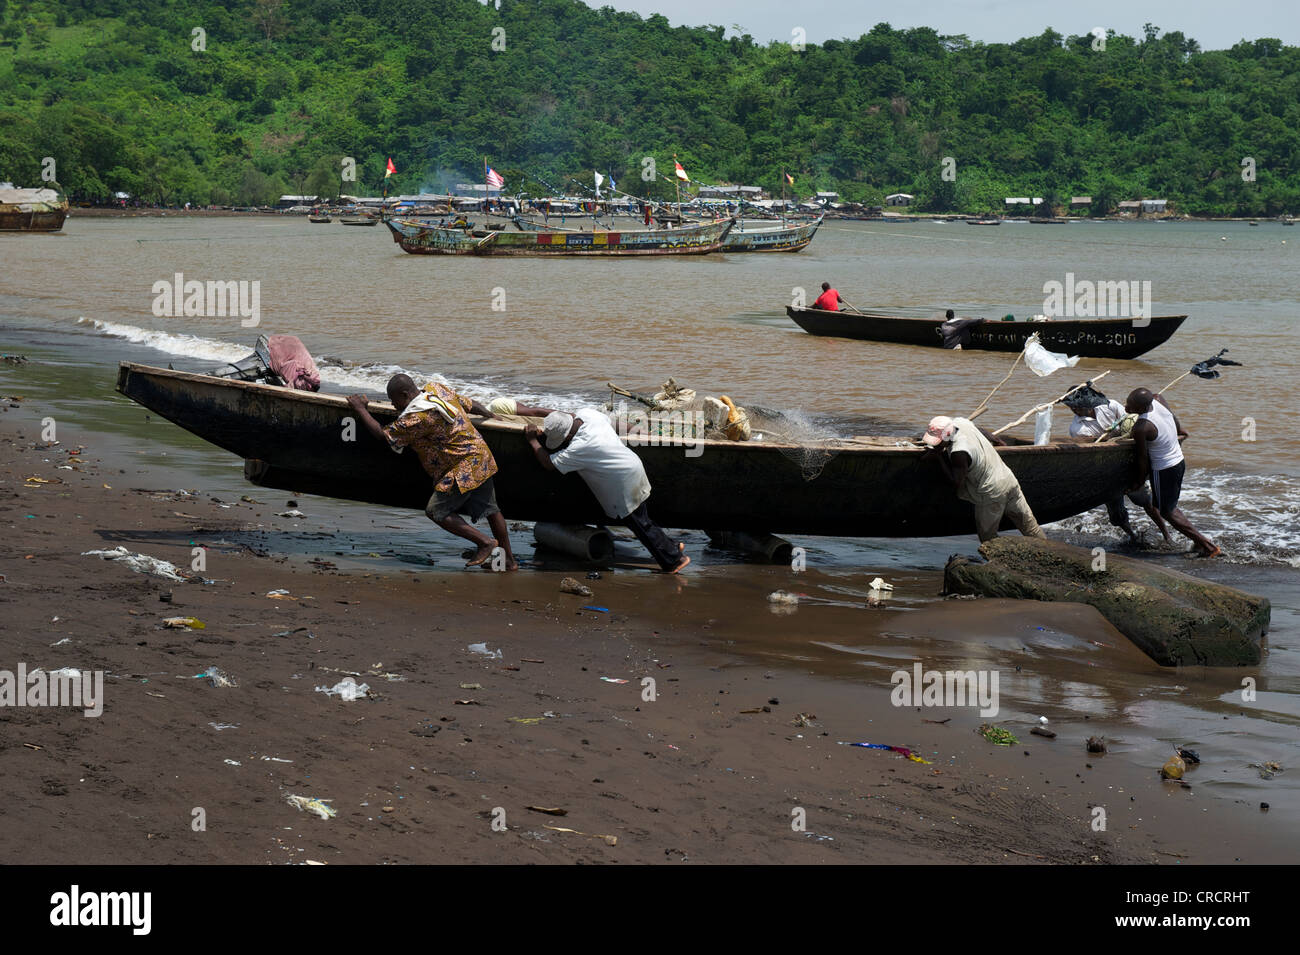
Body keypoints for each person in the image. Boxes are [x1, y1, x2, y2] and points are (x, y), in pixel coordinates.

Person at [346, 375, 518, 570]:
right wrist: (493, 417)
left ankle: (485, 542)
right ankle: (508, 561)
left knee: (436, 511)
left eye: (395, 402)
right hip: (481, 456)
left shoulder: (416, 417)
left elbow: (384, 435)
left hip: (462, 467)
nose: (394, 406)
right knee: (492, 511)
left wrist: (360, 408)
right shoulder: (437, 389)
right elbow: (472, 404)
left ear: (405, 395)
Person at [524, 408, 690, 573]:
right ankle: (672, 546)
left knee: (639, 525)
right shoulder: (589, 415)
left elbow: (548, 463)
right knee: (642, 517)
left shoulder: (579, 447)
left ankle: (674, 560)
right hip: (632, 466)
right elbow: (616, 424)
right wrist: (638, 430)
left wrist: (533, 440)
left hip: (621, 482)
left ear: (567, 436)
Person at [1061, 387, 1171, 543]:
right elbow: (1092, 451)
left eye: (1078, 405)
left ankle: (1167, 535)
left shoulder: (1110, 406)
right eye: (1071, 406)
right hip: (1105, 470)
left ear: (1090, 401)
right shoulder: (1077, 428)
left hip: (1128, 464)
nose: (1074, 409)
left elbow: (1131, 419)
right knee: (1116, 512)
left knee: (1145, 501)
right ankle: (1132, 536)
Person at [1124, 388, 1219, 557]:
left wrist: (1138, 482)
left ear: (1141, 407)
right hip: (1178, 462)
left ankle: (1208, 546)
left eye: (1130, 406)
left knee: (1167, 512)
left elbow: (1143, 459)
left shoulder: (1141, 427)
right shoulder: (1158, 399)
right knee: (1168, 507)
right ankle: (1199, 543)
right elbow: (1173, 417)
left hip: (1164, 469)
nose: (1126, 408)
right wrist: (1179, 430)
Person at [922, 415, 1046, 542]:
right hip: (1008, 479)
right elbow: (980, 430)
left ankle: (1001, 560)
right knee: (1030, 528)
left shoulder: (959, 452)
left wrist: (938, 457)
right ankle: (1048, 550)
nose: (937, 444)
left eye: (938, 441)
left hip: (991, 492)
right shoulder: (960, 422)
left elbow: (956, 482)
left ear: (947, 434)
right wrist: (997, 441)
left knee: (988, 538)